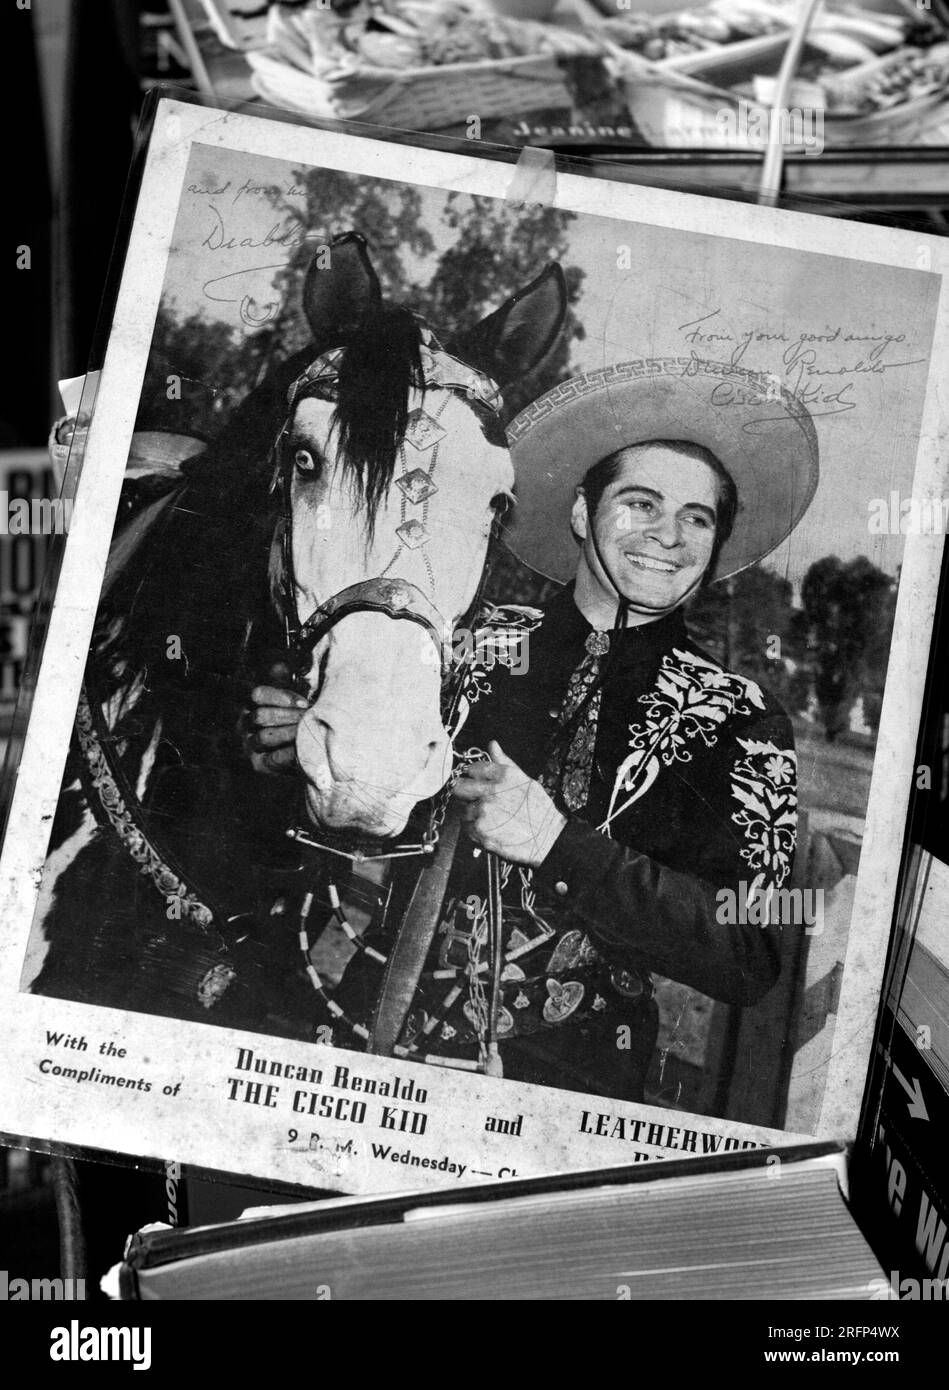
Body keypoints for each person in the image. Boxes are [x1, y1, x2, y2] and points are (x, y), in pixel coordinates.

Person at [246, 359, 819, 1104]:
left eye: (696, 517)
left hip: (566, 1080)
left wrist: (559, 843)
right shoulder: (459, 638)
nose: (668, 536)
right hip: (340, 1026)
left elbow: (750, 953)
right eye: (640, 503)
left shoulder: (739, 715)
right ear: (583, 514)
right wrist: (293, 750)